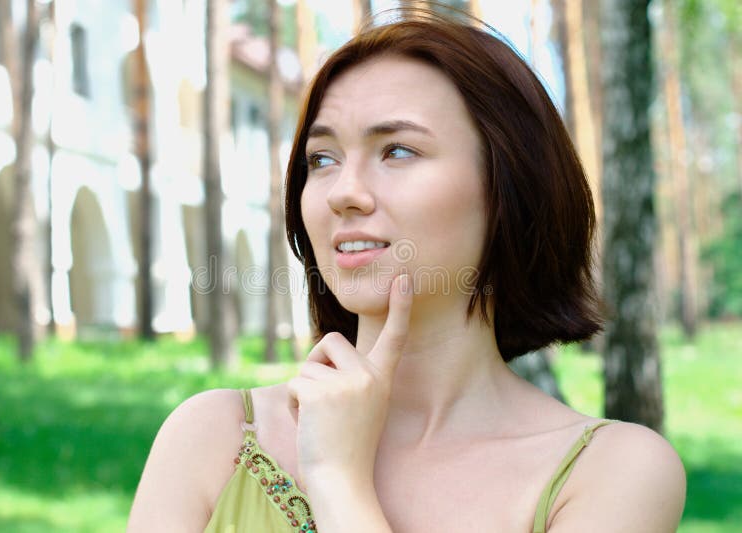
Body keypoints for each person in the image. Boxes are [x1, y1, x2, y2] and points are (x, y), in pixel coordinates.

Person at [127, 7, 686, 533]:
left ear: (510, 187)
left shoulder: (615, 472)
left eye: (397, 150)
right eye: (321, 159)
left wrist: (339, 481)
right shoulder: (212, 436)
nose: (343, 192)